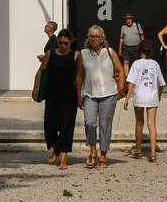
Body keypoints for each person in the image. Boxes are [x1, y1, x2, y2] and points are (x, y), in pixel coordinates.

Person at [76, 25, 125, 170]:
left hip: (108, 94)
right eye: (91, 36)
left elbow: (121, 71)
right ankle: (92, 149)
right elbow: (78, 77)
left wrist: (120, 89)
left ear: (102, 38)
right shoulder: (83, 54)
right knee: (90, 123)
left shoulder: (109, 52)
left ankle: (103, 155)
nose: (93, 39)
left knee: (105, 125)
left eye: (96, 36)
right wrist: (78, 95)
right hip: (90, 94)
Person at [40, 28, 80, 169]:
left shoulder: (76, 55)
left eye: (65, 43)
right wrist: (35, 89)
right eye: (60, 43)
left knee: (66, 126)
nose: (62, 45)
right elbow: (42, 71)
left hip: (69, 95)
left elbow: (79, 77)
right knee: (49, 126)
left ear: (70, 43)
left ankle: (62, 157)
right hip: (52, 95)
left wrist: (79, 97)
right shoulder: (50, 53)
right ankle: (56, 148)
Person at [123, 38, 164, 162]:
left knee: (139, 123)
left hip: (139, 96)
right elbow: (161, 83)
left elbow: (132, 83)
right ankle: (152, 154)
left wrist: (127, 98)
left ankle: (139, 150)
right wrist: (159, 96)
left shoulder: (136, 64)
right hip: (152, 97)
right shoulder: (155, 64)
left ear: (139, 50)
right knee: (152, 124)